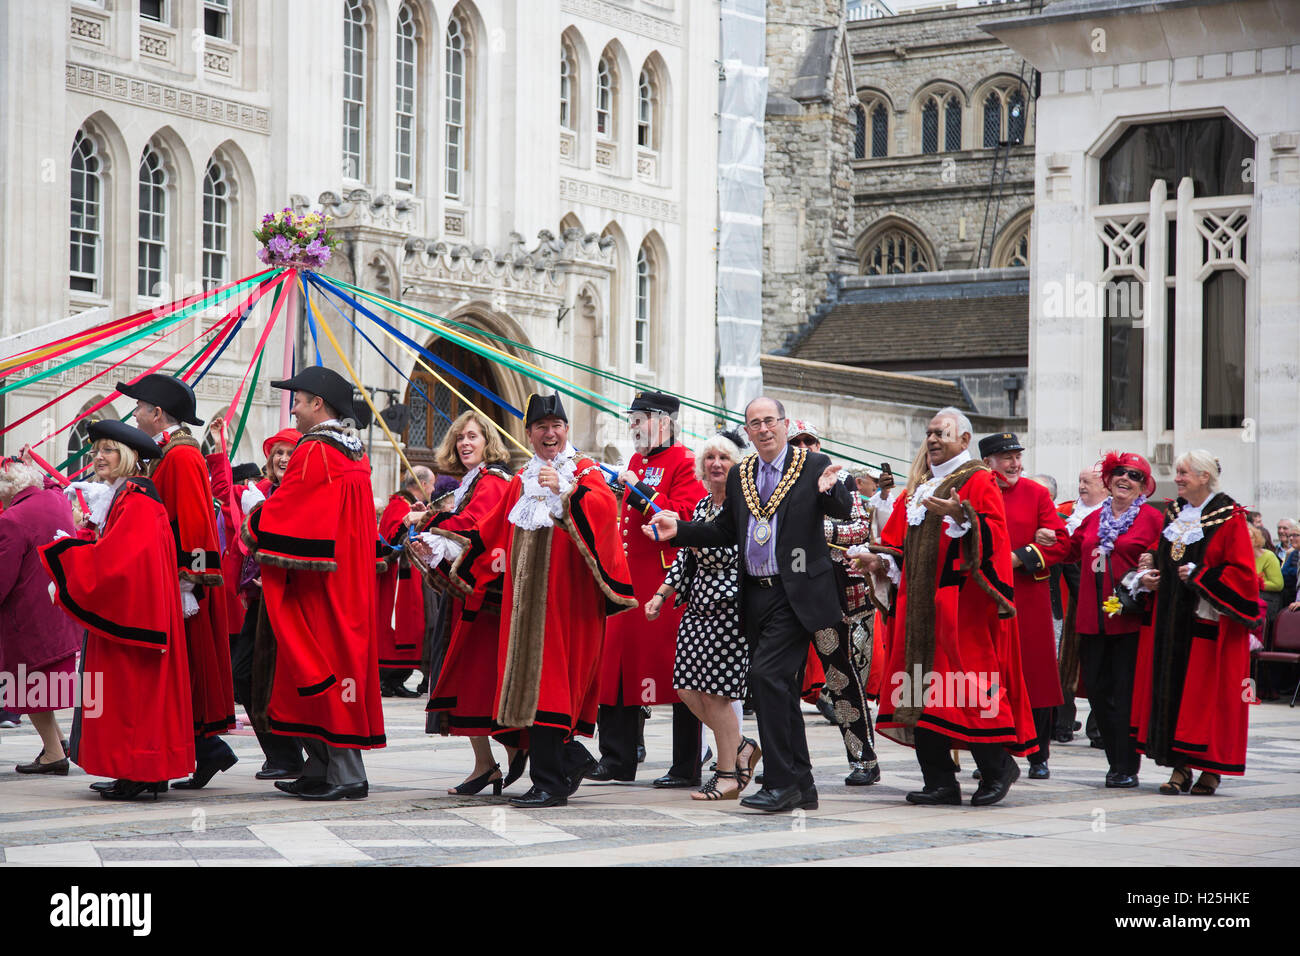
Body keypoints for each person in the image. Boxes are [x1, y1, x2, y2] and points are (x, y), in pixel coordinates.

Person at [646, 396, 853, 813]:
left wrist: (835, 490)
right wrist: (680, 530)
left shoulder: (811, 465)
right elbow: (725, 530)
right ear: (748, 430)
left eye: (769, 421)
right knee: (782, 687)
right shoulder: (744, 474)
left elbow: (843, 512)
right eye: (754, 423)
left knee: (765, 677)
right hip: (756, 595)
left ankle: (779, 782)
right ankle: (803, 783)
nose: (763, 429)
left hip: (796, 592)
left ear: (783, 423)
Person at [450, 393, 636, 807]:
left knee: (551, 687)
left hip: (567, 606)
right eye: (541, 427)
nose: (549, 434)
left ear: (566, 430)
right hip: (525, 608)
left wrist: (569, 492)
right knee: (533, 688)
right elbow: (492, 528)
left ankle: (550, 780)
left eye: (556, 426)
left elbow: (606, 514)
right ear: (529, 433)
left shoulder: (584, 471)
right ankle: (566, 764)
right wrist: (448, 549)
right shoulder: (521, 478)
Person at [852, 407, 1037, 808]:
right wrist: (879, 562)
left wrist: (964, 516)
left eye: (942, 433)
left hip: (961, 608)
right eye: (930, 432)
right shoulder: (918, 487)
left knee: (969, 690)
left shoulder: (978, 480)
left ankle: (997, 767)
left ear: (965, 440)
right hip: (917, 609)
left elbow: (996, 540)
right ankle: (939, 781)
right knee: (920, 691)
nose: (933, 439)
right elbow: (897, 547)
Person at [242, 366, 385, 800]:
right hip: (346, 580)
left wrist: (255, 516)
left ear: (318, 404)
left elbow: (292, 509)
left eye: (299, 401)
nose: (295, 409)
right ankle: (320, 766)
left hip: (323, 587)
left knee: (323, 666)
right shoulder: (353, 453)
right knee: (331, 668)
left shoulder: (316, 451)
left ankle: (346, 773)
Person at [39, 421, 194, 799]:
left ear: (127, 457)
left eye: (108, 449)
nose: (98, 456)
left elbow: (119, 563)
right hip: (131, 617)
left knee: (133, 699)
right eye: (97, 450)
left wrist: (69, 562)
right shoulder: (127, 498)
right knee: (127, 699)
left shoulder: (138, 501)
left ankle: (140, 772)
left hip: (134, 620)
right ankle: (137, 772)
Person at [118, 373, 237, 790]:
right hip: (170, 580)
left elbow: (197, 525)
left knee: (173, 677)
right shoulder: (167, 453)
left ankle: (184, 757)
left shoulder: (182, 457)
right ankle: (206, 751)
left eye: (139, 408)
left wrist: (191, 583)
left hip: (182, 588)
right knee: (180, 678)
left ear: (156, 412)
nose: (134, 414)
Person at [590, 392, 707, 787]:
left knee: (677, 674)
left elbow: (686, 516)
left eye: (640, 419)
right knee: (619, 669)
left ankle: (686, 765)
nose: (634, 426)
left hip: (664, 583)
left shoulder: (685, 461)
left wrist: (641, 491)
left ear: (664, 421)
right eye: (633, 419)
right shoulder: (638, 460)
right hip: (629, 581)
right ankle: (616, 758)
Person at [1131, 451, 1259, 796]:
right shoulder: (1174, 512)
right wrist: (1150, 564)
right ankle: (1180, 767)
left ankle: (1211, 770)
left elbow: (1244, 577)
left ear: (1204, 477)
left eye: (1185, 472)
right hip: (1170, 623)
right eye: (1177, 472)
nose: (1179, 478)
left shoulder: (1229, 517)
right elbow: (1170, 554)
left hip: (1208, 624)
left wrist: (1203, 576)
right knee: (1175, 694)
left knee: (1204, 699)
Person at [410, 410, 520, 794]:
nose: (465, 443)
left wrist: (429, 525)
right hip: (467, 592)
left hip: (484, 596)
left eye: (473, 436)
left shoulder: (491, 480)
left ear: (488, 441)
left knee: (476, 679)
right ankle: (485, 764)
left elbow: (473, 525)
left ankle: (512, 751)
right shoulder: (467, 483)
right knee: (460, 678)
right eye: (460, 437)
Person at [645, 433, 758, 800]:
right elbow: (684, 559)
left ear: (735, 465)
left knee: (717, 696)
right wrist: (661, 595)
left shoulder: (743, 507)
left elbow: (732, 556)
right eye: (709, 457)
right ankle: (741, 745)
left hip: (729, 608)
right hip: (696, 608)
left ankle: (727, 775)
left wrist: (691, 538)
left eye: (723, 457)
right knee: (686, 688)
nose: (715, 463)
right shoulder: (703, 507)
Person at [1052, 452, 1163, 788]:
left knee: (1124, 694)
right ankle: (1116, 761)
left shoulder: (1152, 518)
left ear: (1143, 485)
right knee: (1098, 694)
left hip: (1129, 620)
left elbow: (1168, 552)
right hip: (1091, 620)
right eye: (1119, 473)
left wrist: (1153, 560)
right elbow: (1068, 549)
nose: (1125, 479)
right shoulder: (1092, 518)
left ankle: (1126, 765)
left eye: (1134, 475)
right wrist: (1042, 539)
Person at [788, 420, 881, 787]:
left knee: (842, 680)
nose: (805, 447)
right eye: (797, 442)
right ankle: (788, 763)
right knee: (779, 681)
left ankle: (863, 759)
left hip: (837, 596)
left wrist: (815, 530)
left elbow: (859, 529)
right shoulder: (778, 484)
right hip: (789, 594)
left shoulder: (841, 481)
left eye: (810, 441)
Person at [979, 433, 1070, 780]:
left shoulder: (1036, 494)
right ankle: (997, 753)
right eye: (1006, 458)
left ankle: (1038, 753)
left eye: (1017, 457)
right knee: (992, 676)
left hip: (1027, 599)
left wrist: (1022, 556)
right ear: (988, 461)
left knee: (1036, 675)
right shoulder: (976, 492)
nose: (1015, 464)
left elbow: (1061, 543)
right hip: (987, 598)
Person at [222, 426, 305, 781]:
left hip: (287, 597)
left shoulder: (302, 493)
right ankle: (281, 753)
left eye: (290, 453)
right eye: (278, 454)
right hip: (258, 599)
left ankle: (291, 755)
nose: (283, 459)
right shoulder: (261, 492)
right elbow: (222, 494)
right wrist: (222, 443)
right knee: (244, 674)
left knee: (281, 679)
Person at [0, 453, 81, 774]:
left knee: (29, 683)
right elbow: (53, 483)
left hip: (27, 616)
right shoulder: (55, 500)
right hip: (58, 607)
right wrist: (29, 462)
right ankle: (58, 743)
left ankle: (52, 752)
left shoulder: (12, 519)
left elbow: (3, 577)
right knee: (41, 683)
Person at [1050, 465, 1108, 744]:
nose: (1082, 486)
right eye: (1079, 481)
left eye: (1088, 481)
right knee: (1065, 664)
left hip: (1102, 599)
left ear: (1105, 486)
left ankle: (1098, 727)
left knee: (1099, 664)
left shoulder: (1115, 514)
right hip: (1066, 598)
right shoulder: (1064, 510)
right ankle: (1061, 723)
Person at [376, 466, 434, 698]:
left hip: (410, 579)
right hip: (399, 581)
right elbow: (390, 541)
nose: (431, 489)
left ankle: (396, 679)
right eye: (430, 484)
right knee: (404, 629)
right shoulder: (400, 506)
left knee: (413, 628)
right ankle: (390, 678)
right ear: (419, 484)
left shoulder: (405, 505)